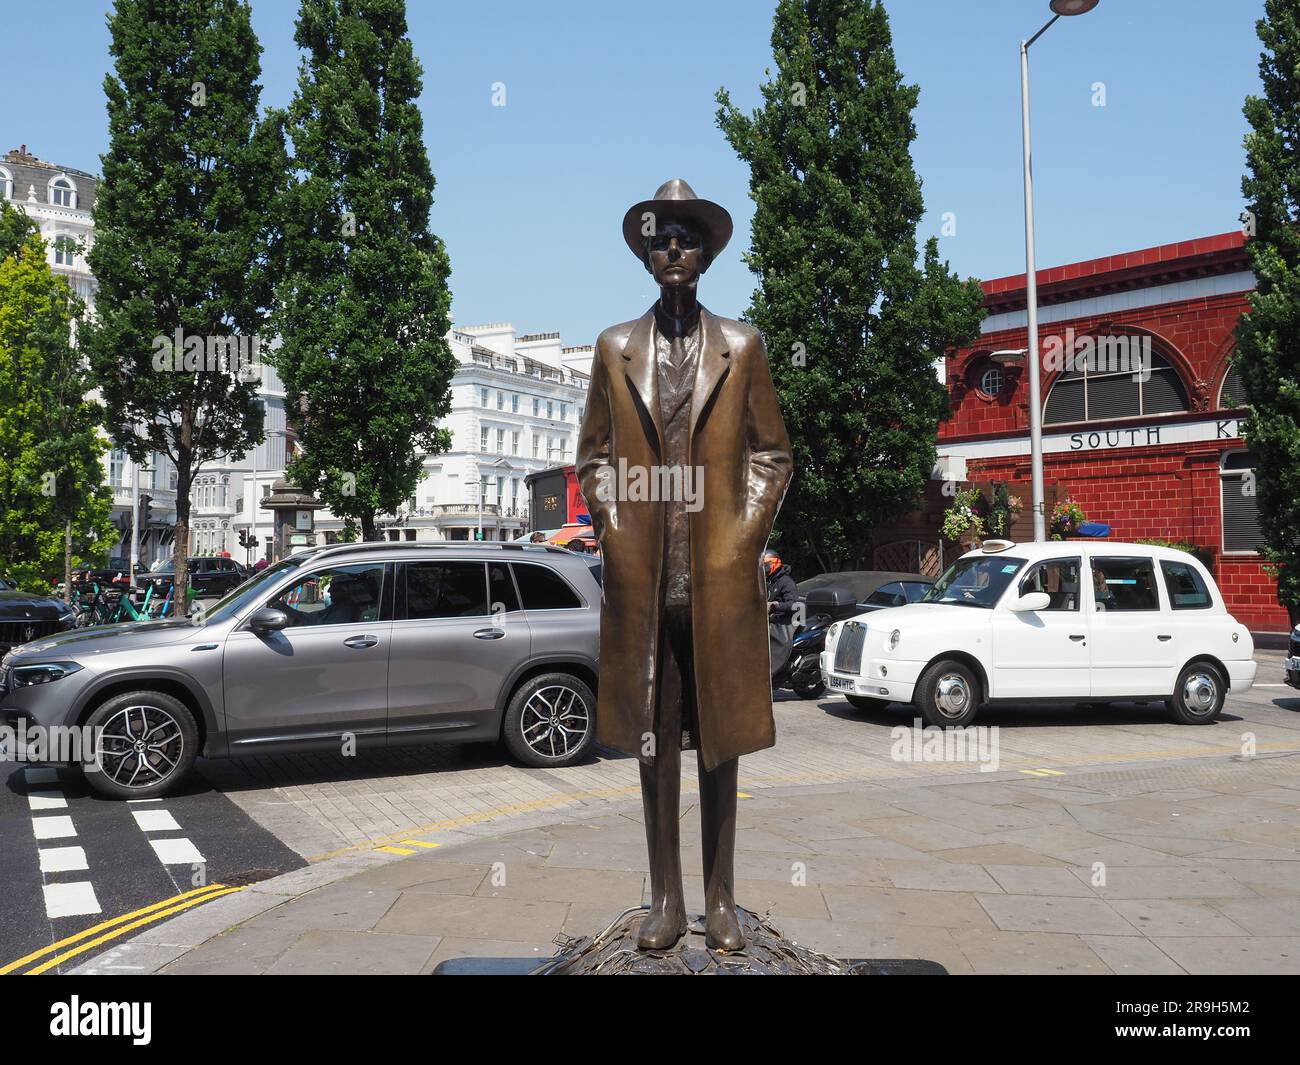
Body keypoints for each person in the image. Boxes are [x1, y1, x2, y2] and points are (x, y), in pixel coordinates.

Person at [576, 178, 793, 951]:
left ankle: (722, 899)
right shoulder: (613, 348)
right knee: (652, 743)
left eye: (686, 237)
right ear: (645, 253)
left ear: (705, 254)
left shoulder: (742, 346)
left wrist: (742, 534)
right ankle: (665, 900)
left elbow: (772, 453)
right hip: (644, 580)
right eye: (660, 237)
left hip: (716, 577)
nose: (673, 249)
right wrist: (613, 526)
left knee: (721, 743)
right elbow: (594, 458)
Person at [764, 549, 799, 679]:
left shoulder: (786, 581)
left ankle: (770, 672)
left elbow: (794, 604)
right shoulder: (768, 581)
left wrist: (775, 605)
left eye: (765, 565)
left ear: (774, 563)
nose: (763, 569)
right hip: (768, 619)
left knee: (776, 641)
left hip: (783, 621)